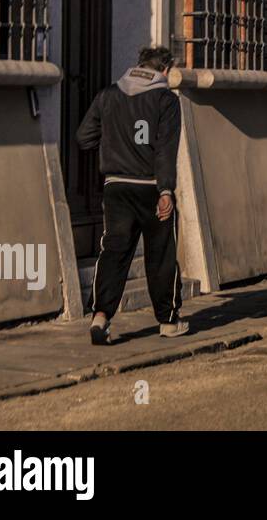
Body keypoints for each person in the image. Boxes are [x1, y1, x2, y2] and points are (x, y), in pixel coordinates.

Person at [76, 46, 188, 344]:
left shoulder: (108, 95)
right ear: (164, 70)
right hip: (151, 187)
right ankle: (168, 320)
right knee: (160, 254)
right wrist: (166, 190)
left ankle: (101, 317)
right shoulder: (166, 100)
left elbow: (84, 137)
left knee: (114, 251)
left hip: (116, 187)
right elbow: (165, 150)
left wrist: (113, 142)